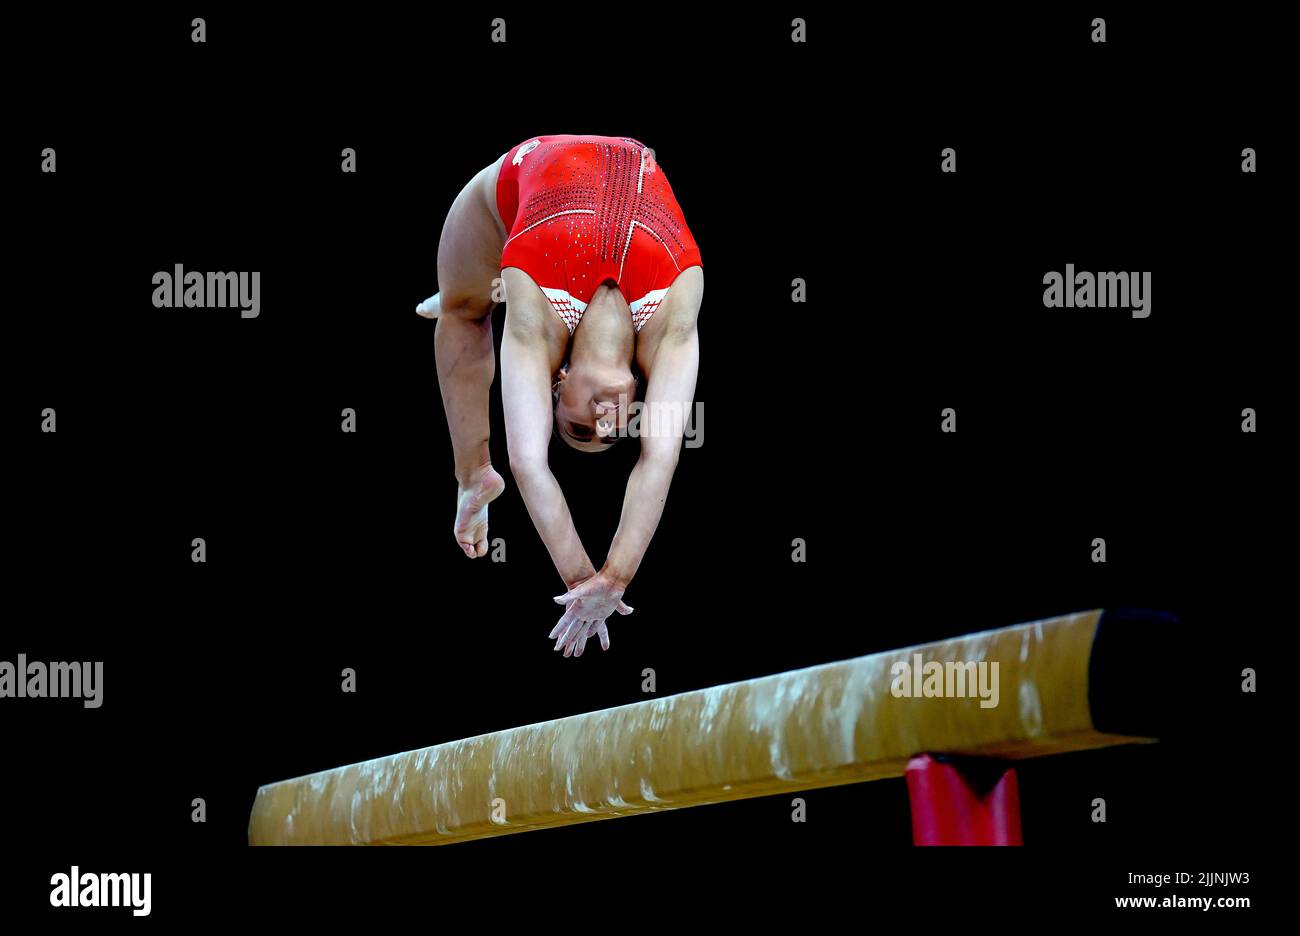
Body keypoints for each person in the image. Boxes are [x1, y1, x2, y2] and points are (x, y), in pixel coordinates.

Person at [417, 135, 704, 657]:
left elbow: (528, 463)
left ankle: (472, 475)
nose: (604, 423)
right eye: (613, 434)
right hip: (615, 173)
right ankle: (475, 286)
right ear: (641, 392)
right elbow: (659, 457)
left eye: (578, 430)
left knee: (462, 313)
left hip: (514, 187)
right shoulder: (672, 322)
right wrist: (610, 580)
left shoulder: (538, 322)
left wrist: (579, 579)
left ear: (558, 380)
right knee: (476, 294)